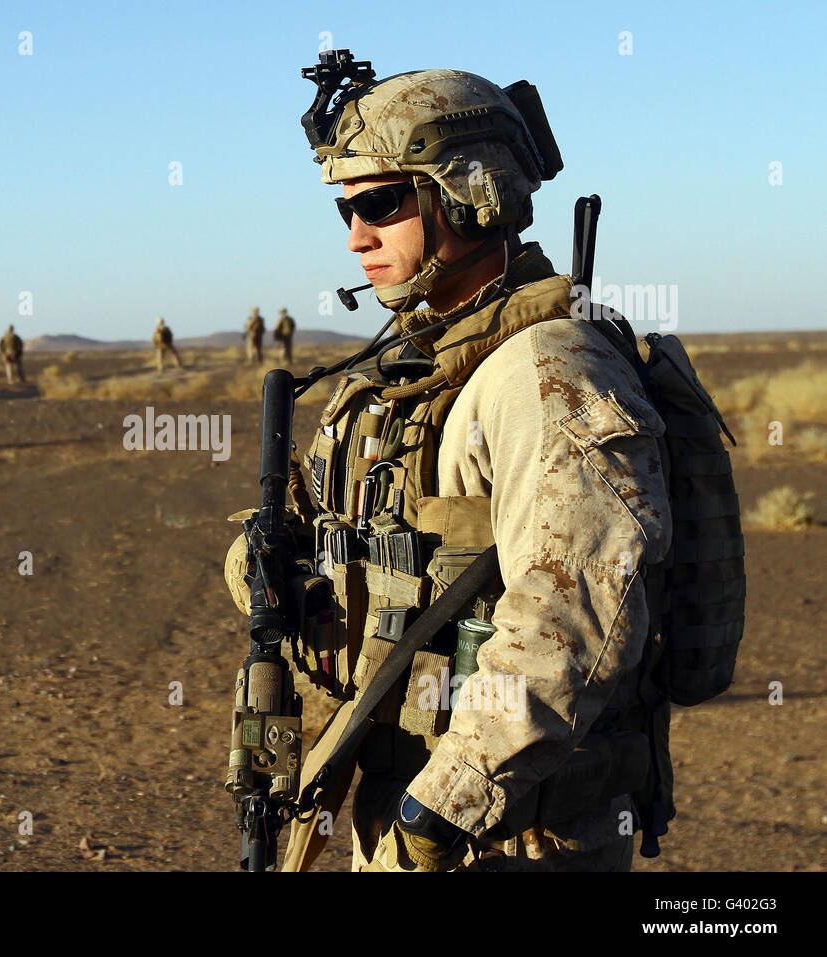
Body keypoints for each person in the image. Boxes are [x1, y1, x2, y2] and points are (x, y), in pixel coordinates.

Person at [225, 57, 673, 873]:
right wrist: (266, 563)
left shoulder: (550, 372)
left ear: (474, 191)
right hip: (408, 798)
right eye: (347, 208)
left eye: (382, 203)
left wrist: (435, 820)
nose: (357, 233)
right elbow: (351, 538)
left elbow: (572, 628)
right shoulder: (416, 363)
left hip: (504, 833)